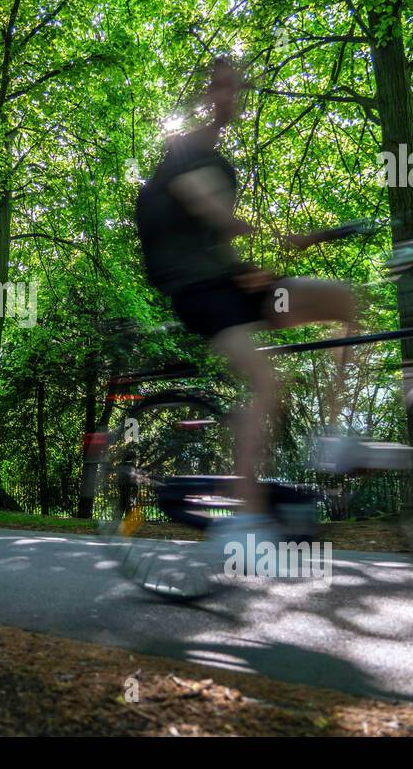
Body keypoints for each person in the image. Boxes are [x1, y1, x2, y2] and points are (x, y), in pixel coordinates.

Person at [135, 58, 359, 555]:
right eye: (221, 86)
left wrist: (252, 267)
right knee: (267, 381)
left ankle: (333, 437)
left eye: (238, 87)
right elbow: (208, 208)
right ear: (204, 93)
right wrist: (285, 235)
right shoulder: (182, 151)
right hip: (200, 298)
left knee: (347, 300)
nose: (231, 96)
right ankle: (247, 517)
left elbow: (217, 236)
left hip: (238, 287)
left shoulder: (224, 165)